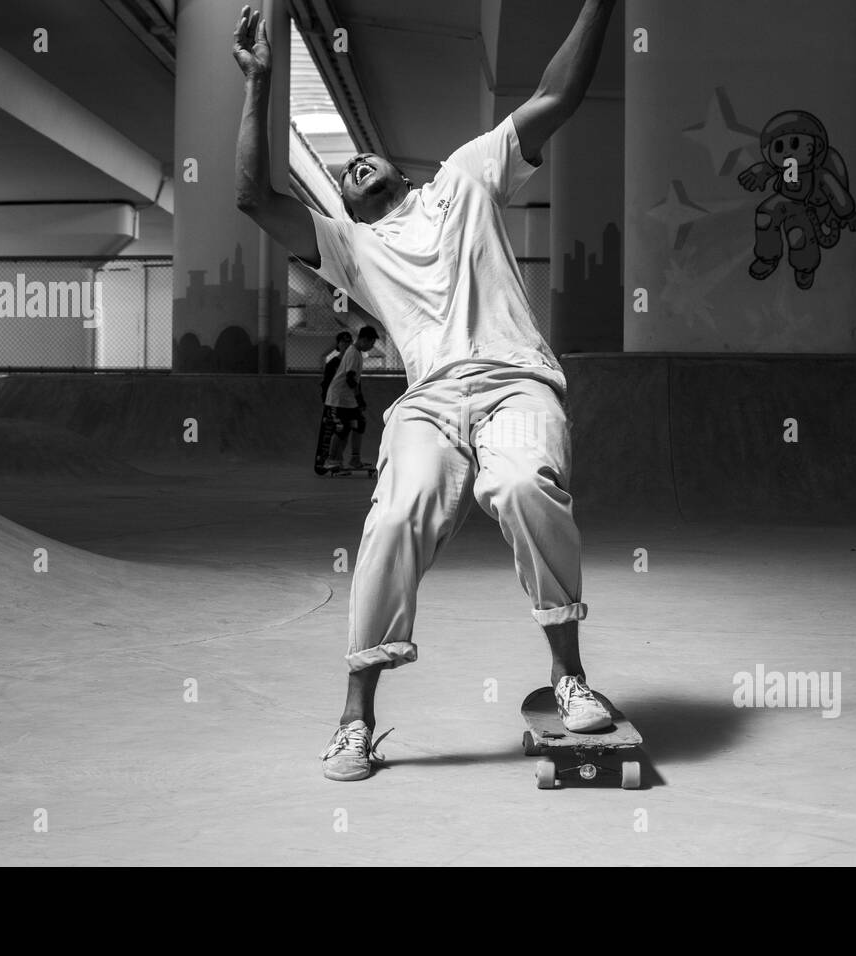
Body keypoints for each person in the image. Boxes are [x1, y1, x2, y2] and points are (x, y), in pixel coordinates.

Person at [233, 0, 619, 781]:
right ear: (343, 209)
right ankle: (355, 717)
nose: (352, 168)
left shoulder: (466, 175)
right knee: (396, 515)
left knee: (519, 485)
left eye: (362, 161)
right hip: (430, 403)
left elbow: (556, 98)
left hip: (516, 383)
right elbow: (254, 198)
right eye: (344, 177)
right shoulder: (349, 245)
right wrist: (259, 83)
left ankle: (569, 673)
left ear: (400, 172)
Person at [323, 325, 378, 472]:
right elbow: (350, 379)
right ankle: (331, 460)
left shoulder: (358, 353)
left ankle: (354, 459)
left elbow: (356, 381)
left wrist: (360, 399)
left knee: (359, 424)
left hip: (348, 399)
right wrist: (359, 398)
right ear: (365, 340)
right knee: (342, 428)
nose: (372, 347)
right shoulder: (353, 353)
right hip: (338, 398)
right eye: (371, 343)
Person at [320, 330, 353, 403]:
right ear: (338, 344)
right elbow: (327, 383)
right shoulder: (332, 364)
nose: (346, 344)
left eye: (348, 342)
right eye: (343, 341)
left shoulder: (353, 362)